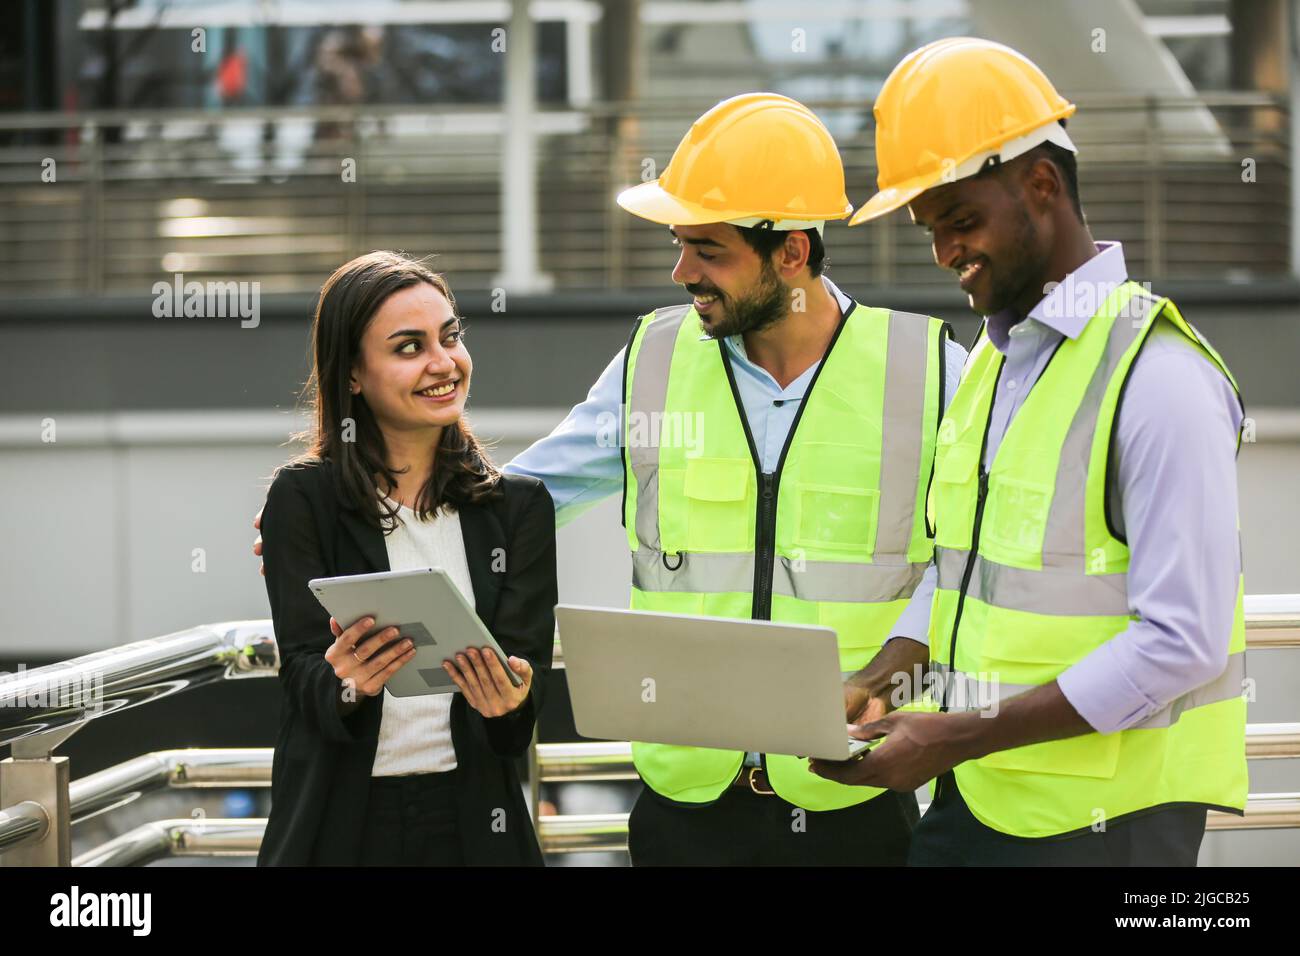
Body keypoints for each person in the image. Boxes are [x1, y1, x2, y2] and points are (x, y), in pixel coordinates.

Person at [255, 95, 966, 866]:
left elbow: (971, 556)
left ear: (791, 254)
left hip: (853, 799)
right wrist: (354, 515)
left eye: (708, 250)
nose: (682, 271)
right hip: (684, 812)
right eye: (679, 245)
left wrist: (896, 664)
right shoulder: (654, 359)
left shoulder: (927, 373)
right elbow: (513, 496)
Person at [812, 37, 1248, 866]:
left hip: (1110, 828)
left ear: (1042, 185)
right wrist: (888, 678)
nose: (945, 253)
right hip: (981, 800)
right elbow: (963, 570)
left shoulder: (1158, 379)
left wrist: (959, 736)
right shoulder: (993, 364)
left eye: (963, 221)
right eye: (931, 229)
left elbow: (1181, 643)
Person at [257, 251, 556, 866]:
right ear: (352, 376)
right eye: (408, 347)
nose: (443, 363)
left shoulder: (519, 508)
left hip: (473, 823)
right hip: (339, 823)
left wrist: (510, 701)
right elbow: (303, 676)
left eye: (450, 337)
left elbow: (517, 718)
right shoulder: (302, 498)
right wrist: (347, 685)